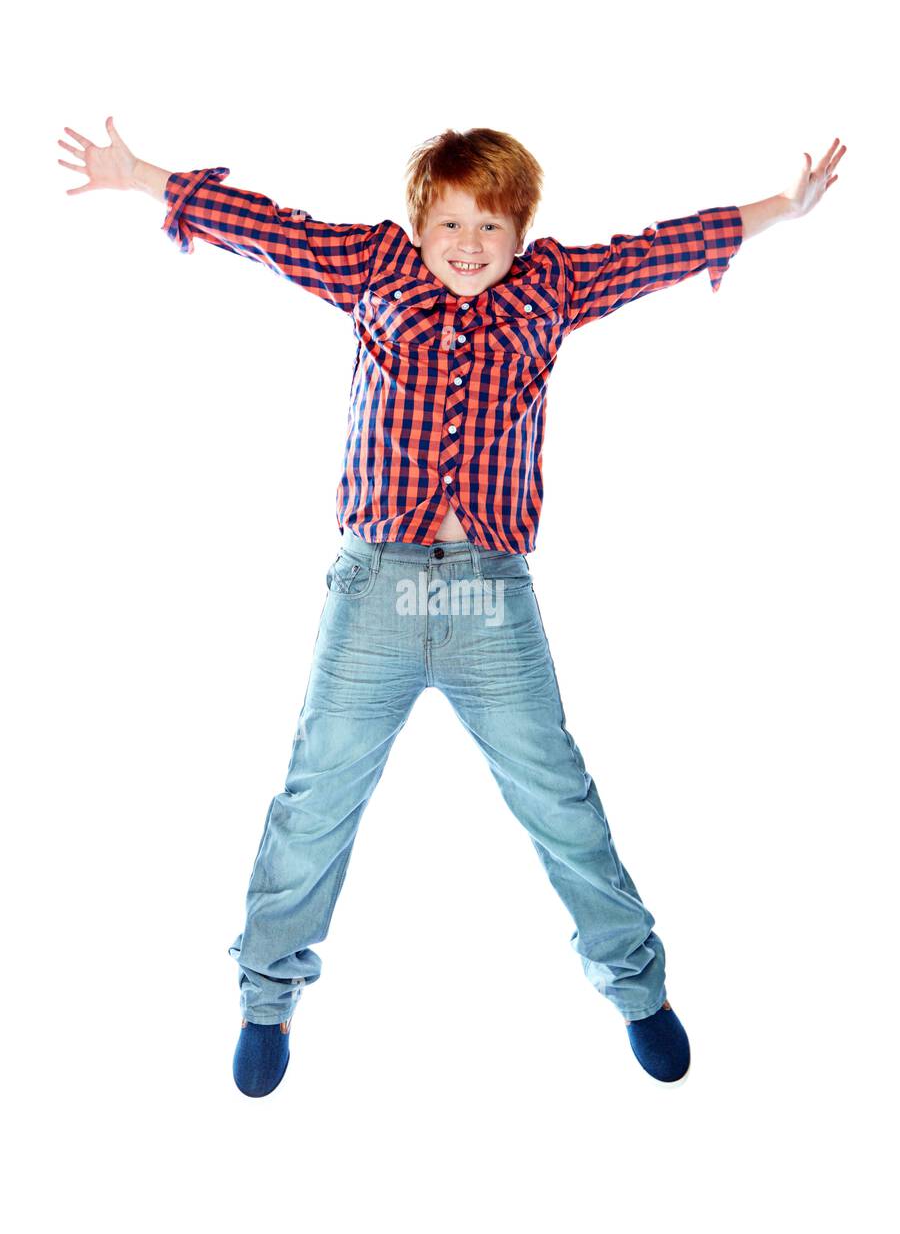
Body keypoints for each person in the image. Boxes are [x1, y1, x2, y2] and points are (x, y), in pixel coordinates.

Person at [59, 119, 845, 1094]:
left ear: (520, 232)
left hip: (489, 594)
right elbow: (263, 225)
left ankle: (639, 987)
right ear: (419, 223)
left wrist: (783, 208)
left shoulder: (550, 286)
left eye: (491, 225)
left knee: (558, 796)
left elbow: (659, 251)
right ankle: (267, 997)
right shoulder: (374, 267)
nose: (469, 244)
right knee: (315, 800)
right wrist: (140, 176)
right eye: (451, 223)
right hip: (374, 587)